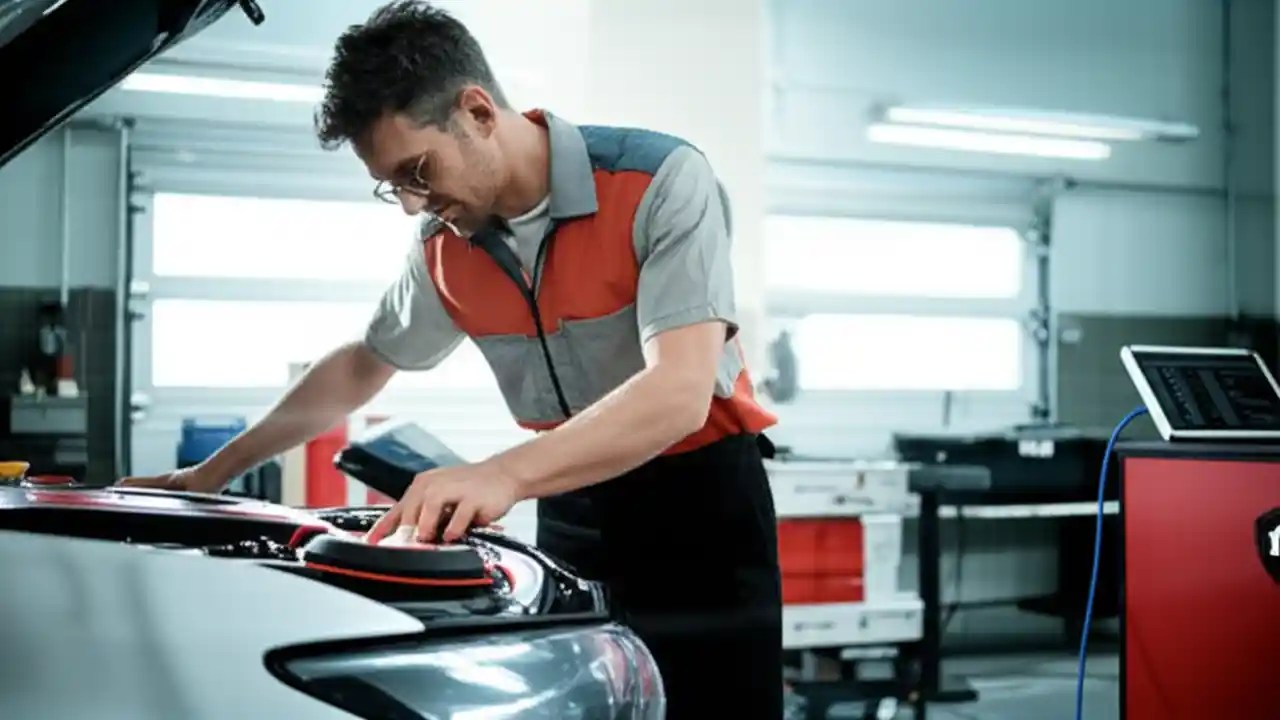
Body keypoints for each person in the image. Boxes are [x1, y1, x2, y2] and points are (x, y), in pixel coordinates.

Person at [121, 1, 783, 715]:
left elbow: (679, 391)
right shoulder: (445, 244)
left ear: (477, 112)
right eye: (392, 185)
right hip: (571, 506)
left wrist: (500, 473)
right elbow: (365, 363)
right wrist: (210, 473)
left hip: (704, 513)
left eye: (417, 170)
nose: (411, 204)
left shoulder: (658, 183)